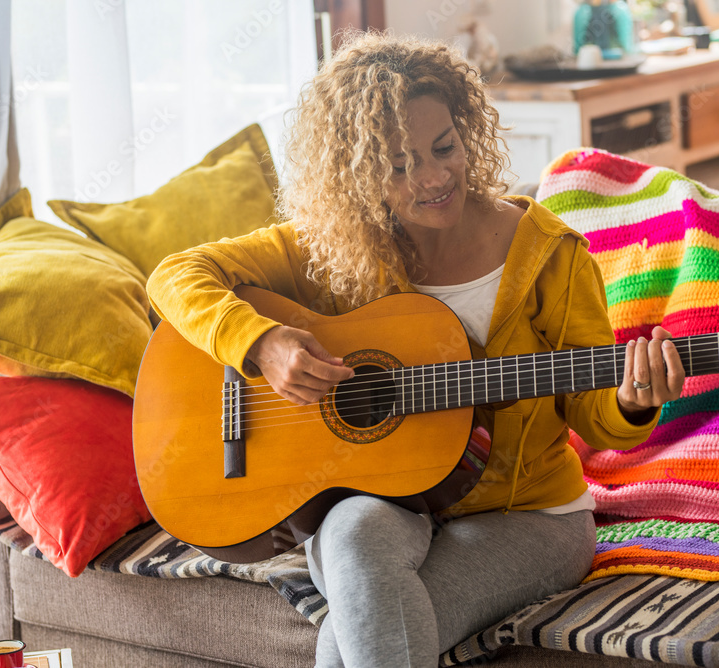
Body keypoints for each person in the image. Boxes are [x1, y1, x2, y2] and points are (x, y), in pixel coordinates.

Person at [147, 30, 685, 668]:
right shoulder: (331, 248)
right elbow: (175, 276)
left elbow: (595, 416)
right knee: (351, 538)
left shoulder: (547, 254)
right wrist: (259, 342)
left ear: (466, 132)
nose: (434, 178)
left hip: (529, 514)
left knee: (361, 627)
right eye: (399, 166)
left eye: (444, 147)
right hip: (387, 501)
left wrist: (631, 399)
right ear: (357, 173)